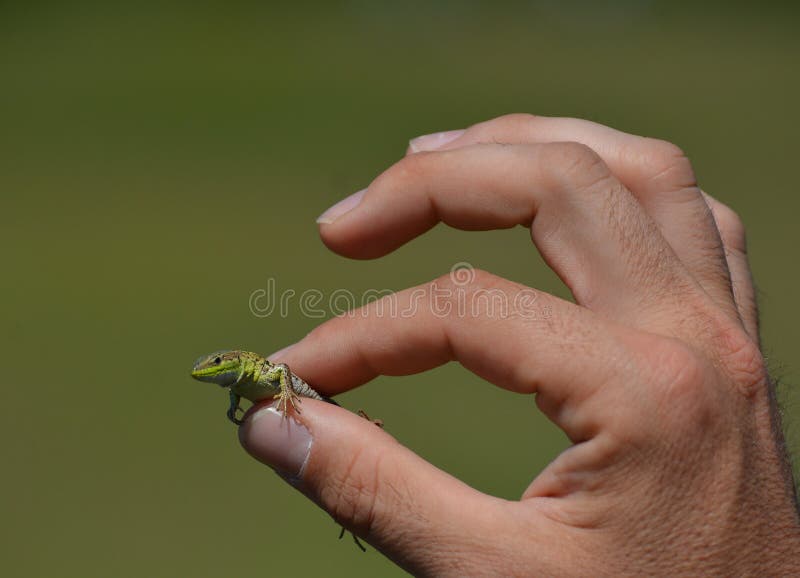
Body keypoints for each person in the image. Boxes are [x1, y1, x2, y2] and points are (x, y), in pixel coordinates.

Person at [238, 114, 800, 575]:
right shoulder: (251, 378)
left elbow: (288, 382)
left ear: (234, 363)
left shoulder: (269, 374)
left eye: (220, 364)